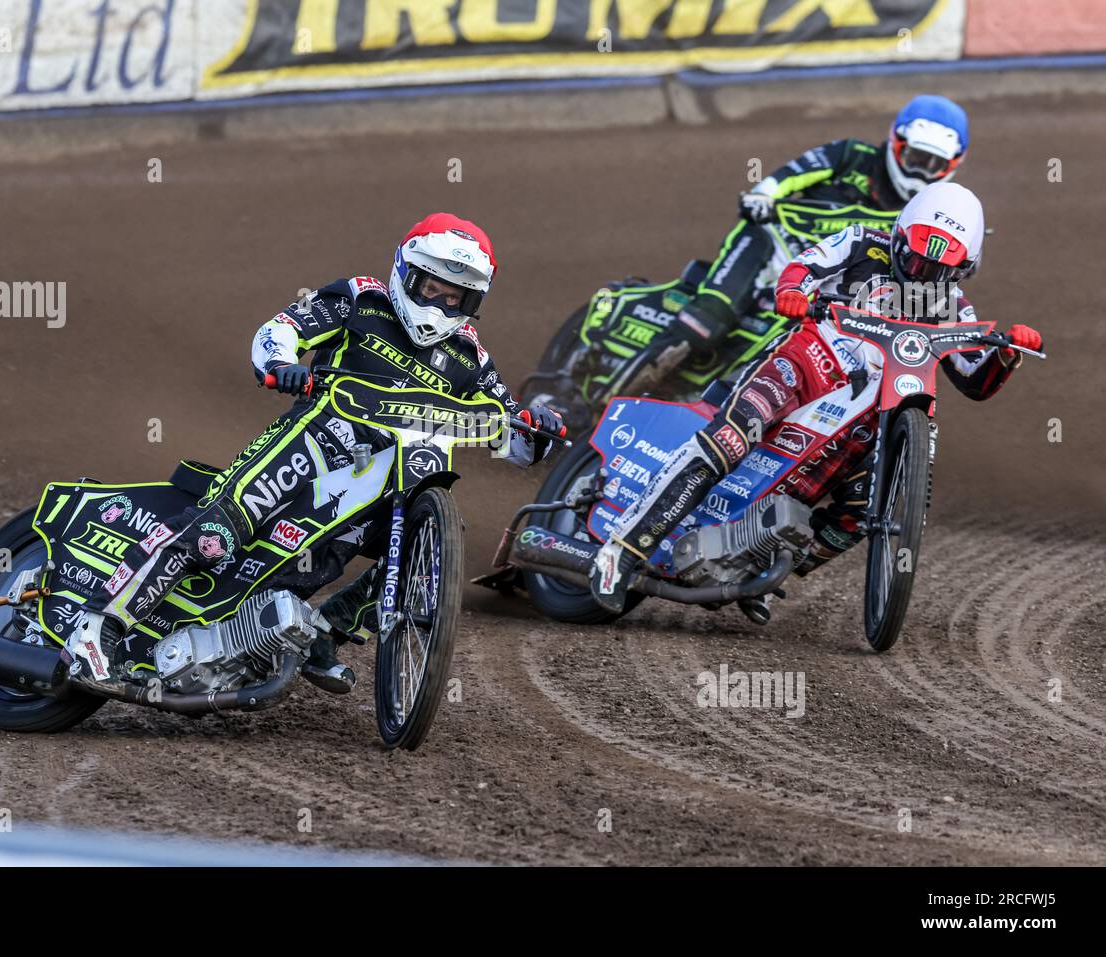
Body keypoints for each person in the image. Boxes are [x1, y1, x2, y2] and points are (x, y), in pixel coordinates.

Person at [72, 213, 565, 691]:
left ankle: (324, 633)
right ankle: (98, 627)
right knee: (213, 536)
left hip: (385, 485)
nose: (440, 302)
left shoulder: (470, 356)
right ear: (405, 272)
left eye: (455, 295)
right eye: (431, 286)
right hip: (309, 447)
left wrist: (538, 425)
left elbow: (515, 436)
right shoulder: (361, 299)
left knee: (430, 547)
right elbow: (279, 331)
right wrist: (282, 363)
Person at [588, 182, 1042, 613]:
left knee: (860, 514)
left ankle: (758, 567)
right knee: (730, 438)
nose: (924, 275)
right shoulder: (862, 241)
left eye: (940, 272)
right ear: (899, 234)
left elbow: (974, 380)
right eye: (916, 260)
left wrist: (1007, 356)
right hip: (806, 361)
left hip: (868, 412)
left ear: (965, 270)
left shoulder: (952, 304)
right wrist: (791, 292)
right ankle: (623, 551)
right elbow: (805, 266)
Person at [669, 94, 971, 353]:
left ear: (954, 165)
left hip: (833, 283)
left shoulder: (932, 210)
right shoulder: (851, 154)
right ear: (896, 142)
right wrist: (763, 194)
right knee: (703, 325)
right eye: (916, 157)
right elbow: (790, 174)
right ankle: (639, 374)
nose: (921, 172)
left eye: (935, 164)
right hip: (780, 247)